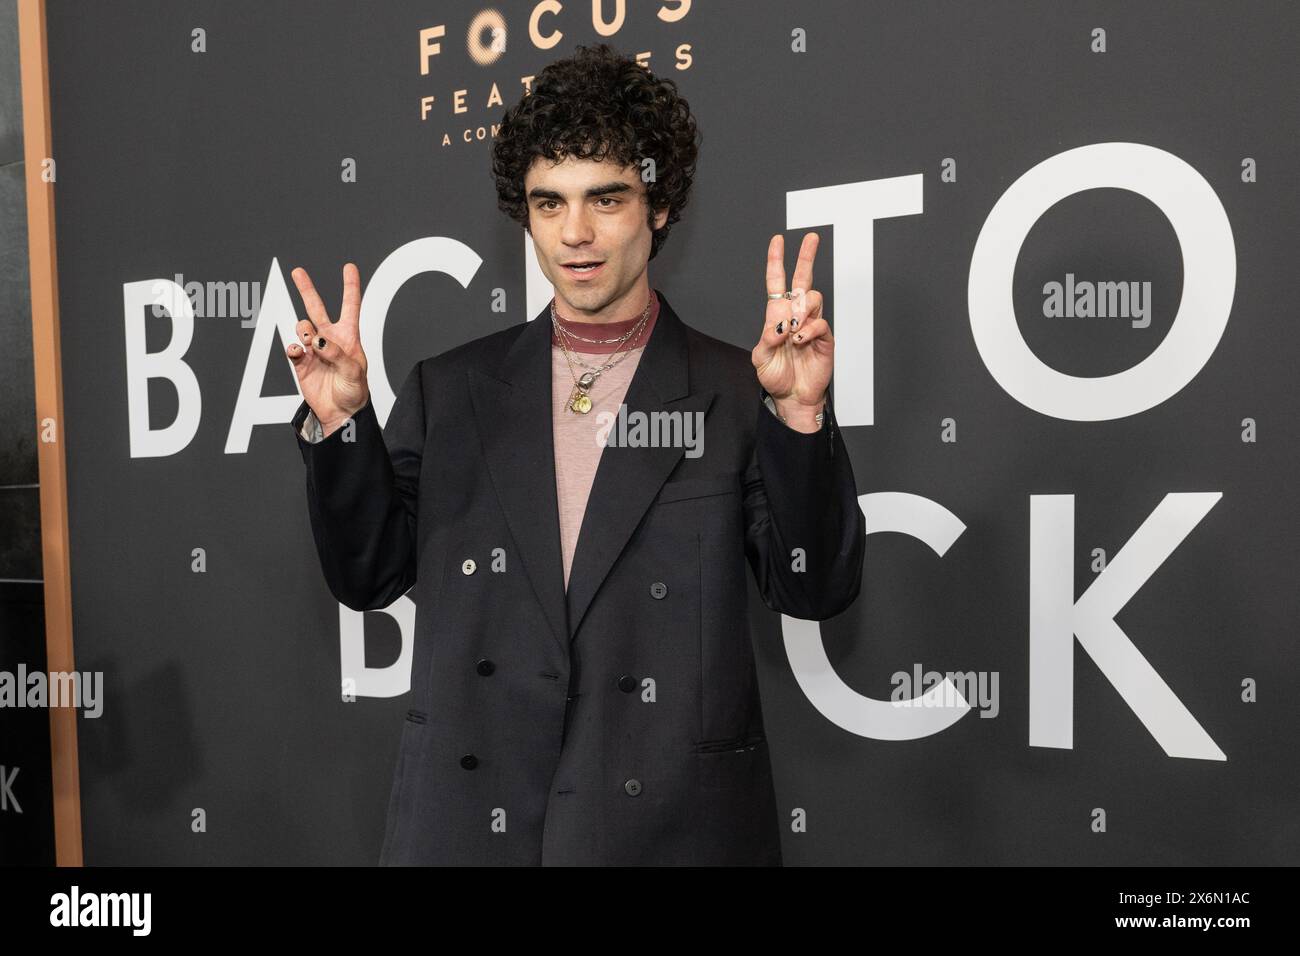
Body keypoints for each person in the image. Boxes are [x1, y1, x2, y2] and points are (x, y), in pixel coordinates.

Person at [285, 42, 865, 865]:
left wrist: (800, 415)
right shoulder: (451, 391)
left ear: (660, 207)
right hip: (470, 824)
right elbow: (368, 575)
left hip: (672, 832)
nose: (576, 235)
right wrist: (344, 425)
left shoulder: (739, 391)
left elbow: (814, 588)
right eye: (548, 204)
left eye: (607, 198)